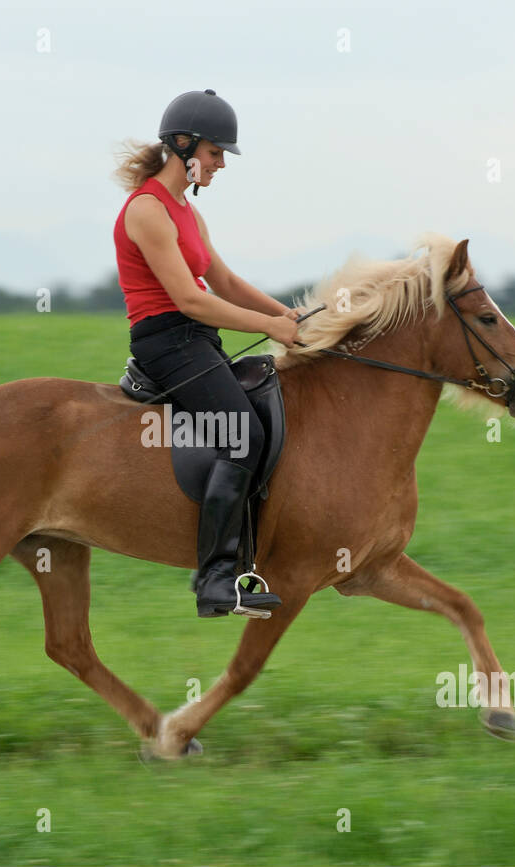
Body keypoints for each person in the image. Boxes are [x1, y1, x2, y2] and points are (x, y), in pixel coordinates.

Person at [112, 89, 301, 619]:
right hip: (166, 342)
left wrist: (290, 317)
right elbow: (191, 298)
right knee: (242, 433)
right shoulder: (147, 209)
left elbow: (223, 280)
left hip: (196, 340)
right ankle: (216, 580)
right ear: (183, 145)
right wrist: (268, 327)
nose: (221, 164)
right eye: (217, 153)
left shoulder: (186, 212)